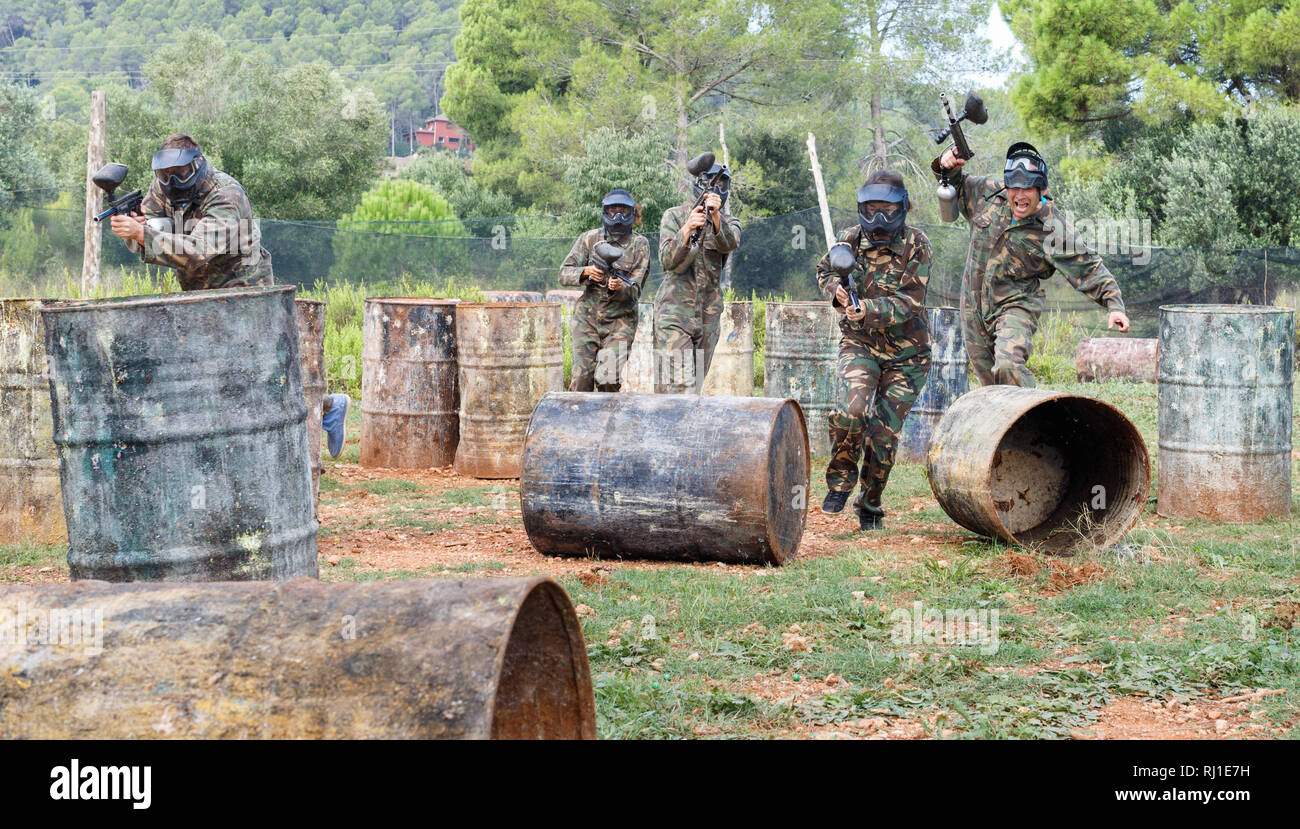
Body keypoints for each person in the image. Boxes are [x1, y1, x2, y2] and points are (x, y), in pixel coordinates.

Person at [110, 133, 348, 455]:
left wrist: (143, 233)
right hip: (200, 292)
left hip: (245, 291)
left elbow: (197, 251)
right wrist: (138, 226)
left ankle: (327, 409)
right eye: (164, 175)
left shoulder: (225, 195)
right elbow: (155, 228)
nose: (171, 181)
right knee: (212, 371)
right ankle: (233, 442)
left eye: (179, 173)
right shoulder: (163, 189)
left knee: (260, 371)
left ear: (195, 165)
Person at [933, 141, 1131, 387]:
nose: (1019, 196)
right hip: (973, 308)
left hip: (1016, 306)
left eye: (1027, 188)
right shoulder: (989, 193)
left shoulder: (1053, 229)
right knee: (991, 386)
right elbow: (955, 186)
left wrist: (1114, 305)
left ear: (1042, 189)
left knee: (1008, 367)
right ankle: (1009, 426)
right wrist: (947, 167)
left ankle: (1037, 420)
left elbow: (1088, 267)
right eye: (1013, 188)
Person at [817, 171, 932, 531]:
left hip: (908, 355)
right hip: (860, 343)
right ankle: (839, 483)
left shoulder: (917, 244)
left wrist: (867, 309)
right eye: (871, 209)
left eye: (887, 210)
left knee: (883, 435)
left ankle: (870, 505)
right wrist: (835, 289)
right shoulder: (850, 239)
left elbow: (910, 302)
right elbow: (824, 270)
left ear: (902, 208)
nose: (879, 218)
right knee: (851, 411)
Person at [654, 155, 741, 393]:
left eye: (722, 185)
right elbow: (667, 261)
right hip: (674, 312)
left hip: (707, 315)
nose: (718, 189)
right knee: (679, 386)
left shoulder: (729, 222)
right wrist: (687, 229)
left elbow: (729, 244)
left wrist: (715, 218)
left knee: (694, 388)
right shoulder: (673, 216)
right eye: (714, 183)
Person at [558, 189, 651, 391]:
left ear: (633, 214)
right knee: (581, 381)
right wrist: (585, 272)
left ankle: (607, 421)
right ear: (604, 212)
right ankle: (577, 421)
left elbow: (636, 288)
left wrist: (619, 287)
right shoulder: (590, 239)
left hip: (620, 321)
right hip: (587, 319)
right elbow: (563, 273)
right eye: (612, 210)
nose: (617, 216)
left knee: (607, 379)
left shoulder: (640, 245)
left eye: (623, 211)